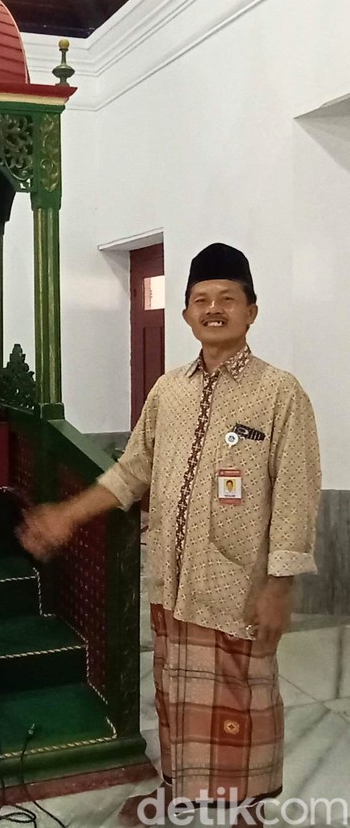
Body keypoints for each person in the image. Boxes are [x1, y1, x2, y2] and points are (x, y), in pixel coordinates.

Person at [18, 243, 321, 826]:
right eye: (201, 300)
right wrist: (68, 514)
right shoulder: (168, 392)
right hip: (174, 583)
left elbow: (296, 493)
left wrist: (279, 584)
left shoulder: (280, 394)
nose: (214, 309)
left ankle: (243, 809)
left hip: (237, 585)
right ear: (185, 314)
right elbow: (131, 472)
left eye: (227, 299)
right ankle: (177, 793)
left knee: (241, 700)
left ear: (251, 311)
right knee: (176, 694)